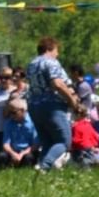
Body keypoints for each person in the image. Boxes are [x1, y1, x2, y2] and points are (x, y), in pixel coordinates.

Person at [25, 37, 79, 171]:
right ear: (50, 48)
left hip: (34, 105)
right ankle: (45, 165)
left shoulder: (31, 64)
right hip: (51, 105)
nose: (57, 54)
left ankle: (41, 168)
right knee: (64, 141)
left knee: (47, 141)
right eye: (56, 50)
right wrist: (72, 101)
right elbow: (57, 83)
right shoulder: (51, 62)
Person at [0, 97, 38, 170]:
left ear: (23, 111)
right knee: (1, 156)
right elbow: (6, 144)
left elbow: (35, 145)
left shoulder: (33, 122)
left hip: (28, 151)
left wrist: (22, 154)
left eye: (14, 112)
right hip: (13, 152)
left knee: (28, 157)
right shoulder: (8, 123)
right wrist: (13, 154)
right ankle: (1, 173)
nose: (11, 115)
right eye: (10, 113)